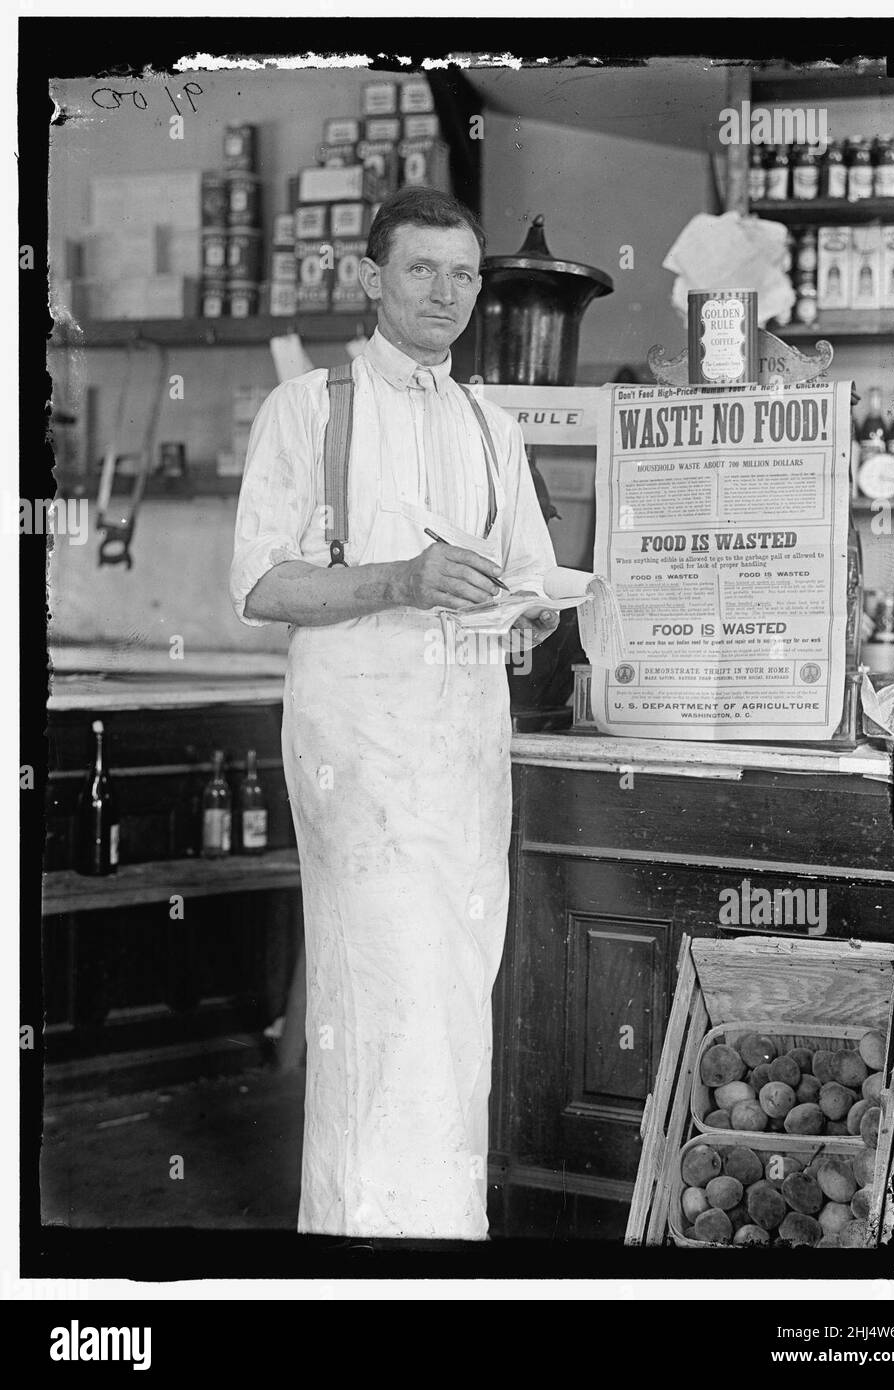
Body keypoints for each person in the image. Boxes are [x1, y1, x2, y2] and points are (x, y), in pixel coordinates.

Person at [230, 187, 559, 1240]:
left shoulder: (489, 425)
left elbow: (532, 588)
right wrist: (403, 581)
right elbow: (260, 586)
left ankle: (439, 1237)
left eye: (462, 273)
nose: (445, 292)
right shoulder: (308, 410)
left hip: (464, 745)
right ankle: (364, 1240)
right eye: (421, 269)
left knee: (457, 992)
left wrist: (529, 619)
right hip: (354, 750)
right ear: (371, 278)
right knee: (385, 987)